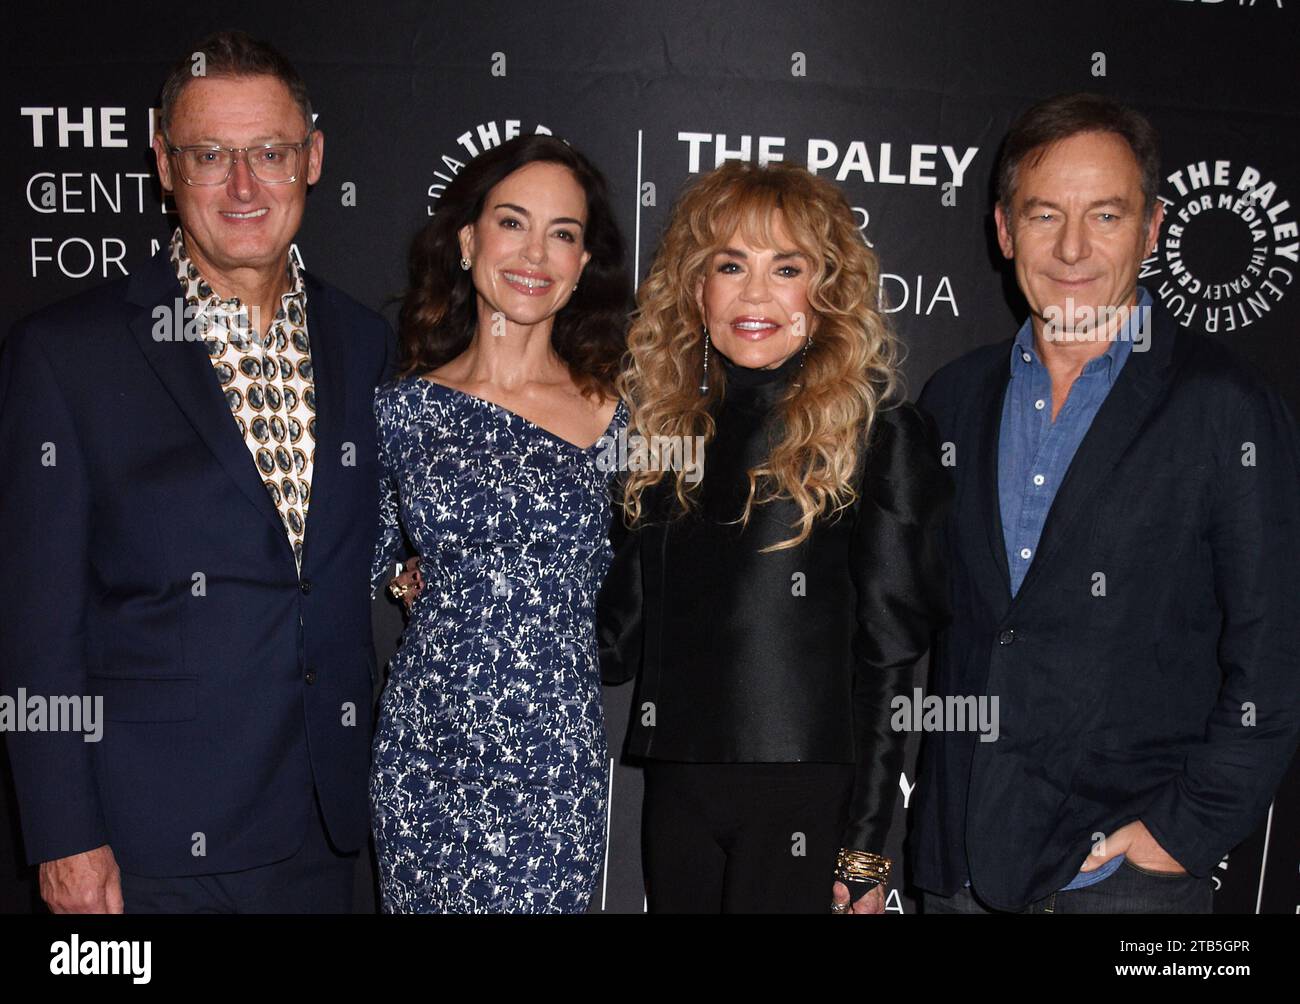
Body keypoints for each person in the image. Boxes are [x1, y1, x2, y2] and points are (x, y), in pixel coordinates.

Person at [0, 31, 394, 913]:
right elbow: (33, 624)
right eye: (211, 155)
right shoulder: (67, 355)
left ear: (314, 158)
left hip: (325, 831)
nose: (245, 186)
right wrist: (64, 835)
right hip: (144, 848)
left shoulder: (363, 342)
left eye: (271, 154)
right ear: (165, 162)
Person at [911, 92, 1300, 914]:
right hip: (958, 869)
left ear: (1154, 229)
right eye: (1045, 215)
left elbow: (1275, 651)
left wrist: (1183, 834)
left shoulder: (1224, 405)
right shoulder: (953, 398)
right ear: (1004, 230)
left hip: (1123, 879)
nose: (1074, 248)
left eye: (1107, 215)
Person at [596, 161, 951, 913]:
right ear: (697, 289)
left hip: (802, 796)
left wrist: (863, 842)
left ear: (824, 292)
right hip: (676, 786)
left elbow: (889, 659)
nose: (755, 294)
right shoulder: (662, 431)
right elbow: (614, 640)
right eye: (731, 265)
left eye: (785, 267)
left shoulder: (877, 432)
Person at [369, 135, 631, 913]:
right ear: (466, 240)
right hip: (428, 758)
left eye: (563, 233)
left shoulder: (623, 420)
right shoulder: (401, 413)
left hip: (557, 766)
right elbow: (360, 558)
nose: (536, 253)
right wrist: (401, 573)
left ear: (583, 265)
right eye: (513, 222)